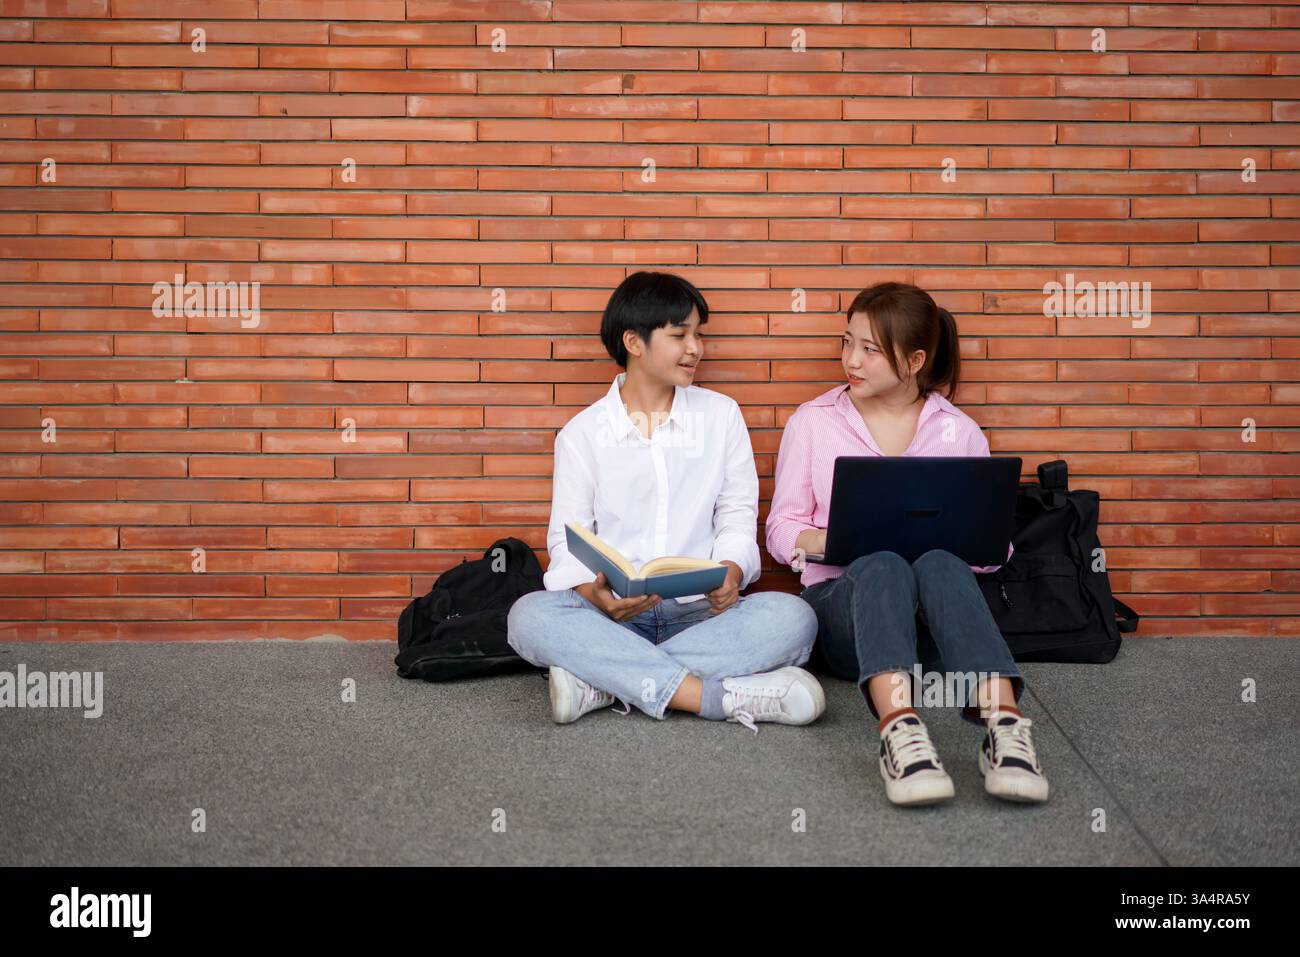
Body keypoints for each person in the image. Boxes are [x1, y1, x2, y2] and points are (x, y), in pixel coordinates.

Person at [766, 281, 1049, 805]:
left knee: (941, 560)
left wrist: (959, 539)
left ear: (915, 359)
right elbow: (782, 531)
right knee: (882, 562)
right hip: (848, 619)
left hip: (932, 639)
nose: (851, 359)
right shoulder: (813, 422)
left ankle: (1007, 728)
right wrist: (849, 539)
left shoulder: (959, 433)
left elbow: (993, 553)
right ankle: (900, 734)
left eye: (870, 349)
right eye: (847, 342)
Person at [508, 271, 824, 733]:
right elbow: (566, 538)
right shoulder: (583, 434)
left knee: (793, 617)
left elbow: (736, 516)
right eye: (680, 335)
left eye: (699, 334)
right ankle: (712, 696)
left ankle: (602, 683)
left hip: (704, 615)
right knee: (528, 616)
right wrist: (590, 592)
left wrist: (732, 573)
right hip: (613, 616)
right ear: (634, 342)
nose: (696, 348)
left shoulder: (720, 416)